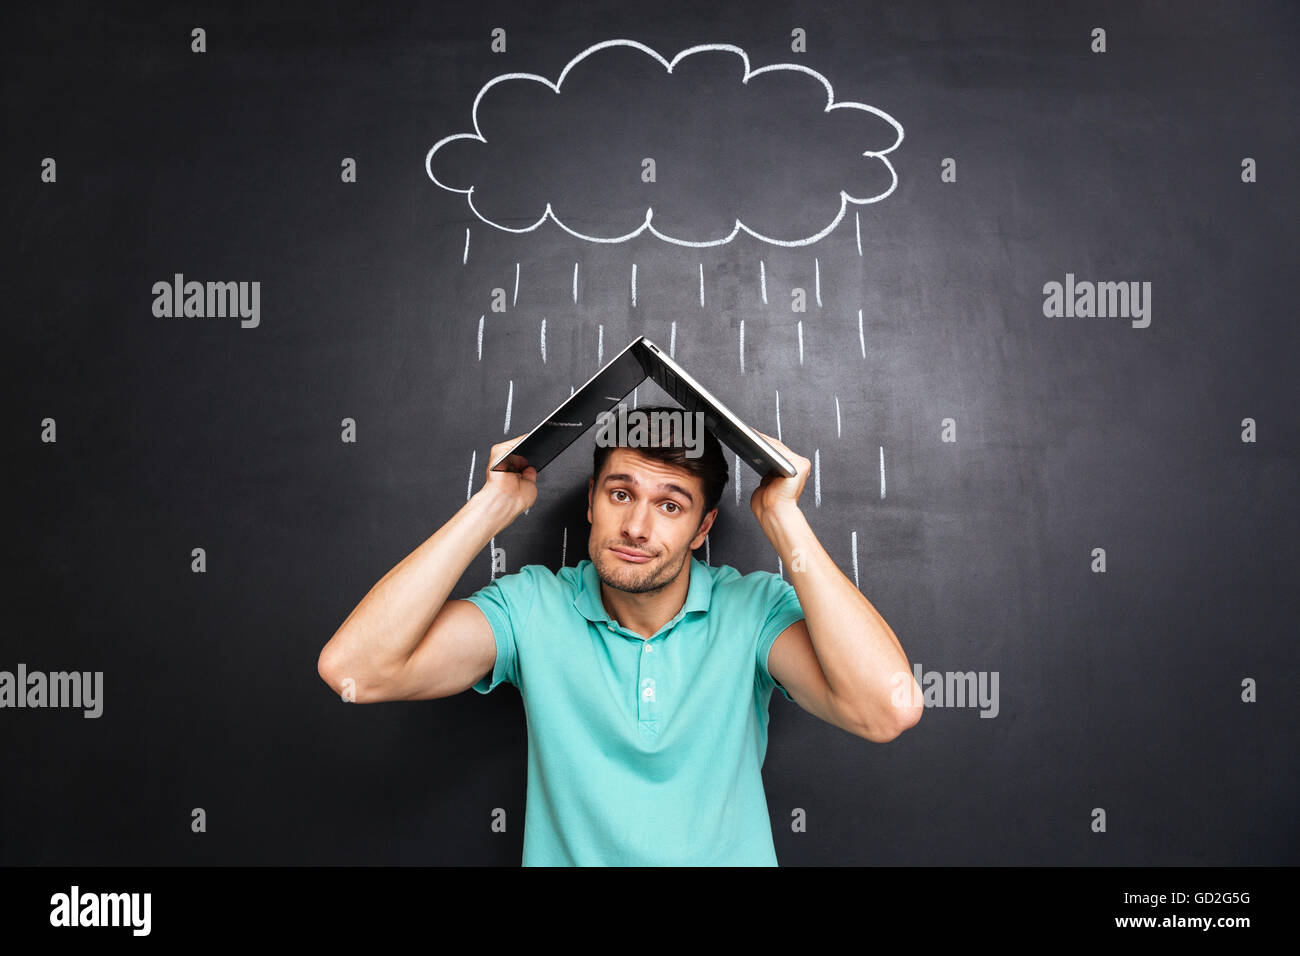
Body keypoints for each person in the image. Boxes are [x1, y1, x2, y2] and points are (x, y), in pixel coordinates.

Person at [317, 405, 922, 865]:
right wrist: (493, 505)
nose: (635, 526)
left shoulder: (752, 610)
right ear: (591, 502)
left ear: (703, 525)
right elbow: (356, 672)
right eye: (621, 494)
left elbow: (886, 710)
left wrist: (783, 516)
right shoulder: (533, 607)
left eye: (671, 505)